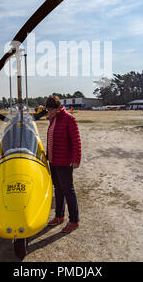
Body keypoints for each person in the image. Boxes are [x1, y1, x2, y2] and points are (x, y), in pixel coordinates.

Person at [46, 96, 81, 233]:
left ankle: (74, 220)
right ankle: (59, 216)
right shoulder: (53, 119)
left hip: (64, 161)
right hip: (53, 161)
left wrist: (76, 159)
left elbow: (76, 141)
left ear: (57, 108)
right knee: (58, 189)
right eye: (48, 110)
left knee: (68, 191)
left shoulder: (69, 119)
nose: (49, 112)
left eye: (51, 110)